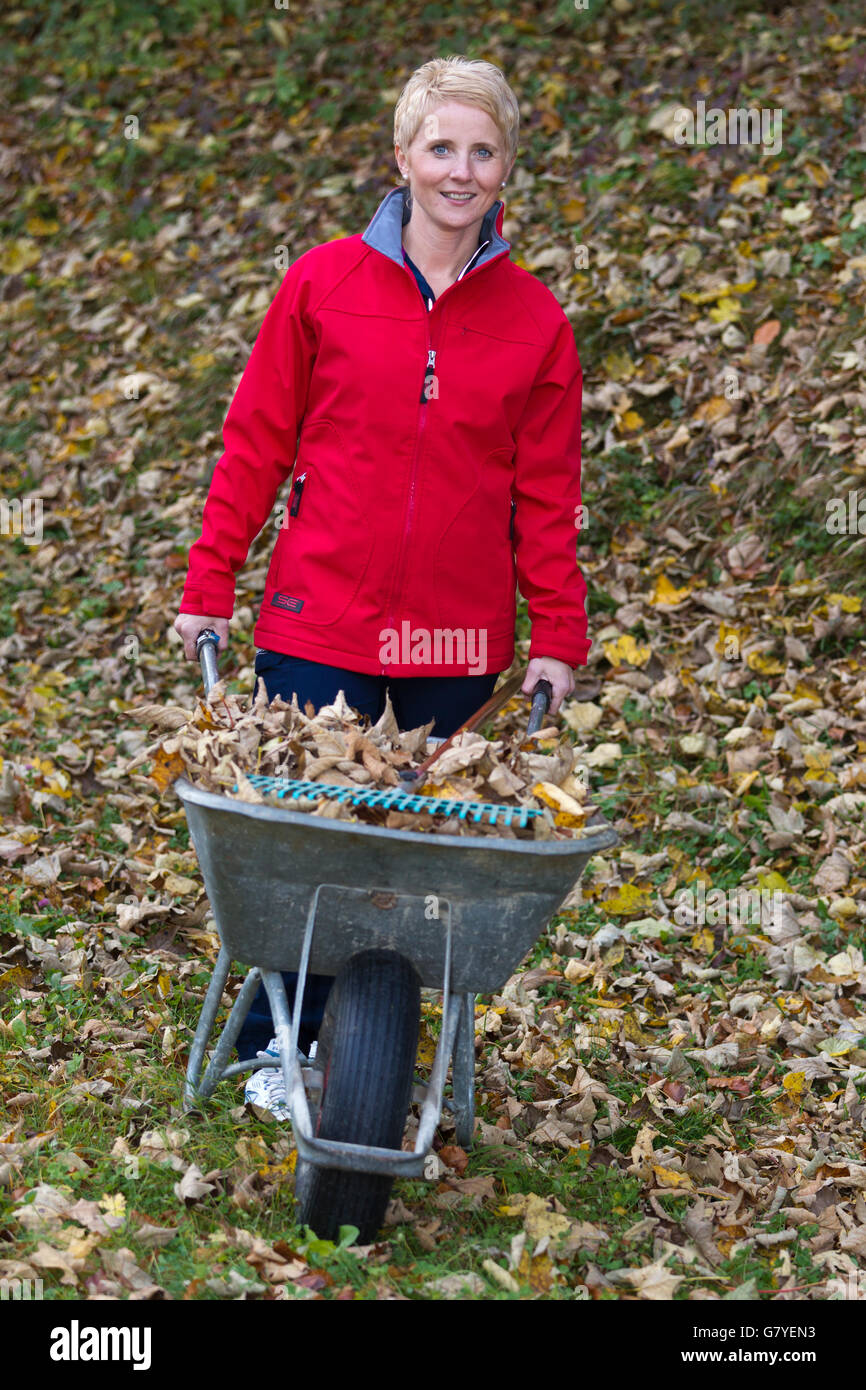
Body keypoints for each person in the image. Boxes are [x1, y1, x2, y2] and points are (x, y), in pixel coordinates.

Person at [173, 54, 590, 1118]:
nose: (459, 169)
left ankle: (389, 1048)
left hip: (456, 642)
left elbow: (546, 496)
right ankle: (280, 1044)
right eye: (440, 147)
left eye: (481, 151)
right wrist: (209, 578)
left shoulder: (534, 321)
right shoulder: (321, 283)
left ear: (505, 169)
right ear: (401, 157)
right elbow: (255, 441)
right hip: (319, 617)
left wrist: (558, 636)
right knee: (305, 851)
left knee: (429, 857)